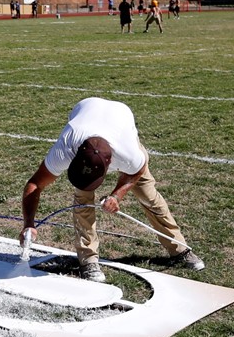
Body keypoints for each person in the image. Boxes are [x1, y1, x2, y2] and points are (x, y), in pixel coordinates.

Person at [20, 97, 204, 282]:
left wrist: (117, 195)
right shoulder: (67, 146)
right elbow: (35, 184)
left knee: (148, 196)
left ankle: (180, 249)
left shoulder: (129, 155)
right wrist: (28, 224)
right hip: (86, 109)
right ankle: (88, 260)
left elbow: (138, 171)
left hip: (121, 120)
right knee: (82, 200)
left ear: (110, 166)